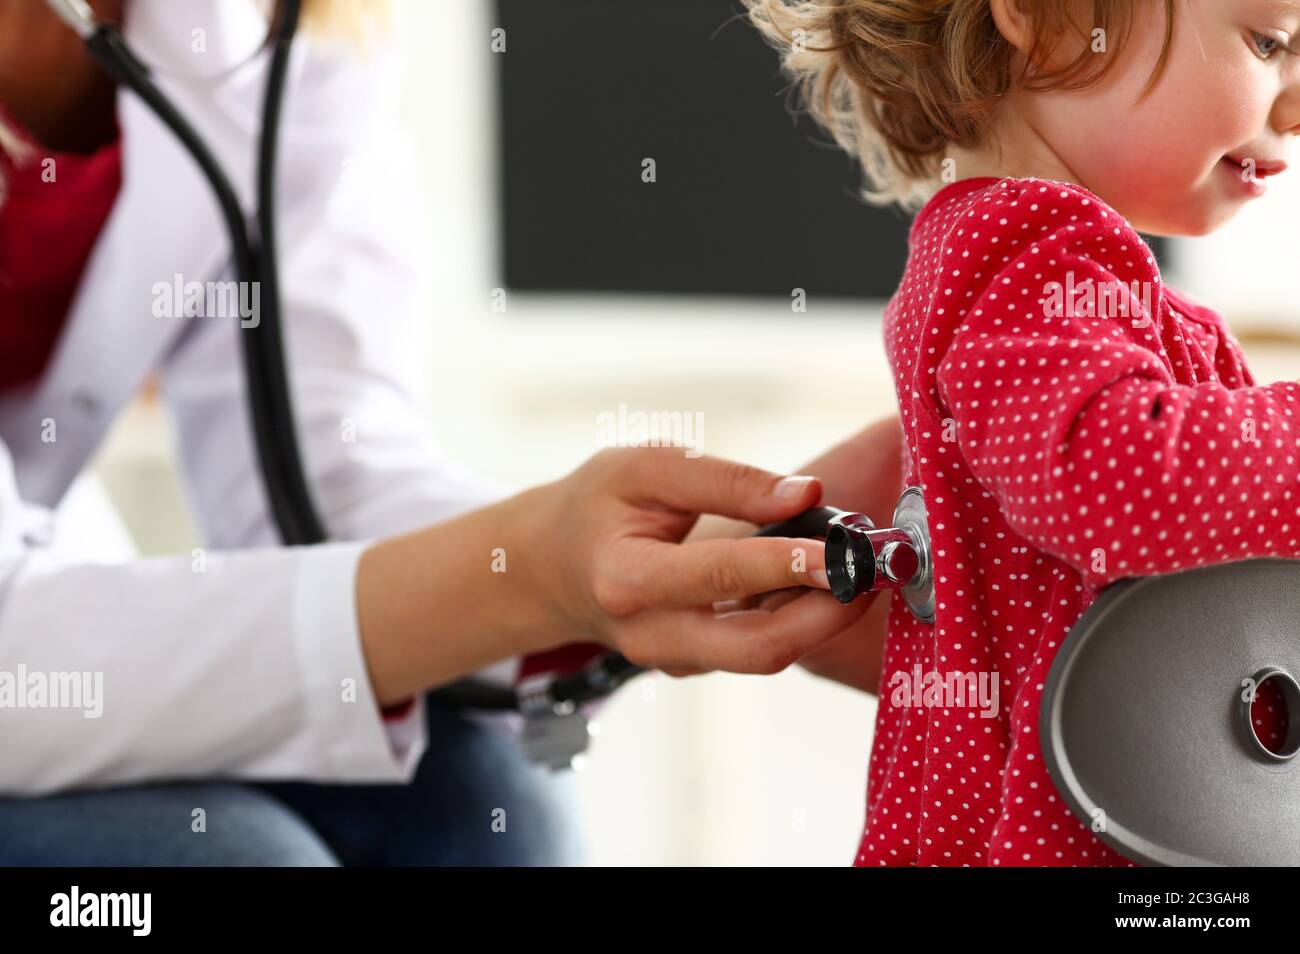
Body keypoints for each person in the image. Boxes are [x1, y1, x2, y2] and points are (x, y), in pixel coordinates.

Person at [0, 0, 901, 865]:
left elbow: (318, 482)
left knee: (485, 796)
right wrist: (538, 575)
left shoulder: (287, 32)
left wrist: (673, 558)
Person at [745, 0, 1300, 866]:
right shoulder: (1035, 249)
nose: (1296, 102)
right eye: (1269, 41)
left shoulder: (1022, 259)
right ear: (1045, 17)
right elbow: (1125, 483)